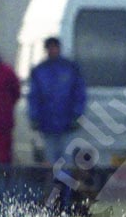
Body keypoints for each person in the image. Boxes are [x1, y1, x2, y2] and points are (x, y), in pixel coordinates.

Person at [28, 36, 87, 168]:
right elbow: (34, 96)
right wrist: (34, 117)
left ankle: (65, 188)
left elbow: (79, 94)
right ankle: (54, 187)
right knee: (50, 161)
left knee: (67, 161)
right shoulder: (39, 71)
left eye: (55, 47)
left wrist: (77, 115)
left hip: (67, 124)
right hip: (47, 124)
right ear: (46, 49)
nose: (52, 50)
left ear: (59, 48)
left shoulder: (71, 69)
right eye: (50, 47)